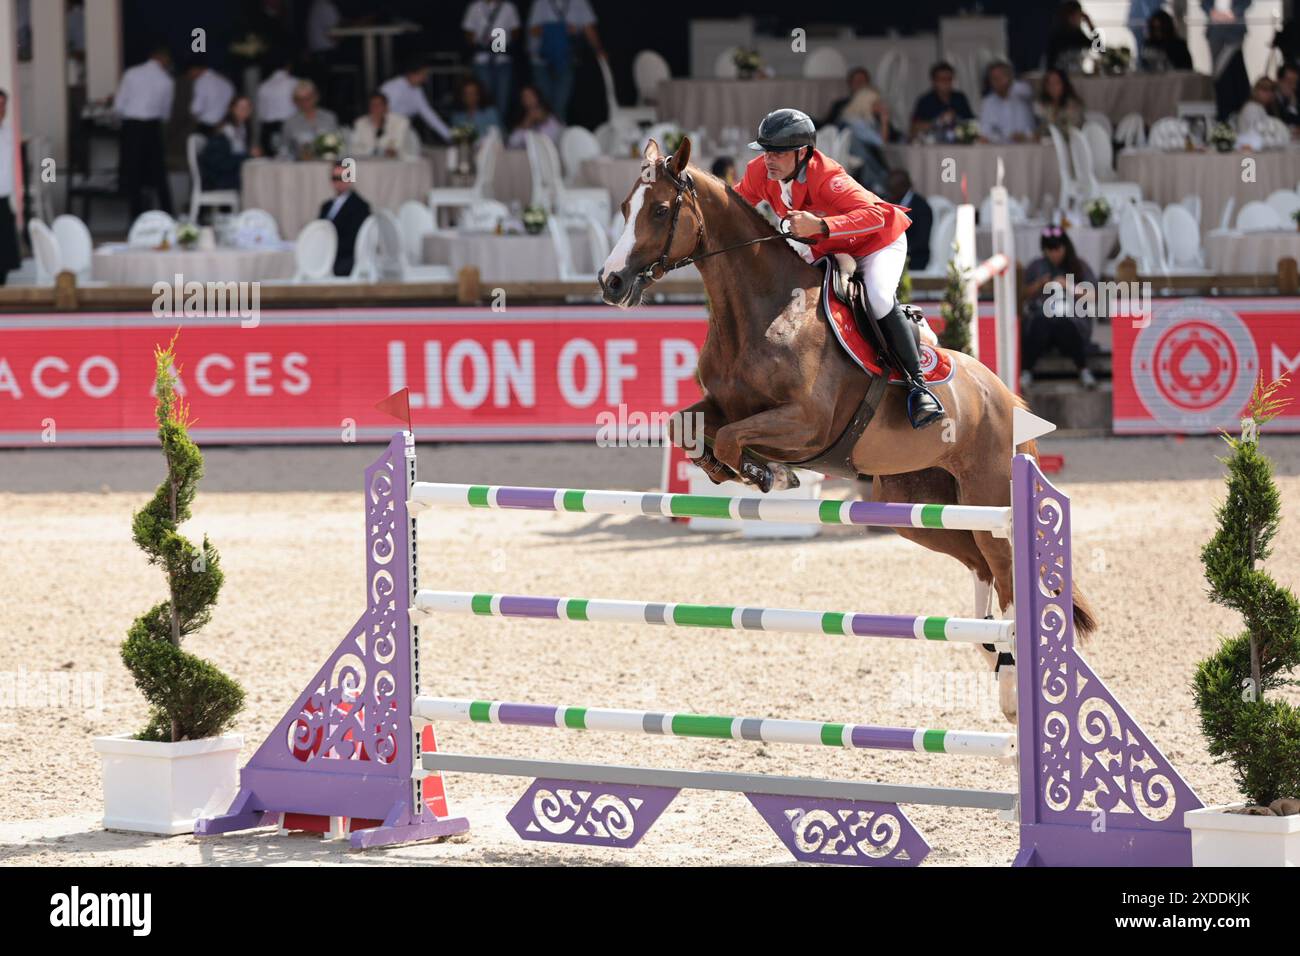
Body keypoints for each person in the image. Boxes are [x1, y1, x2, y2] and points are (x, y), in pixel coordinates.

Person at [733, 108, 943, 428]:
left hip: (877, 245)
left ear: (802, 153)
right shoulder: (759, 172)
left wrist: (821, 224)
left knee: (878, 297)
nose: (768, 160)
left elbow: (875, 216)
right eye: (766, 152)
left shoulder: (829, 178)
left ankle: (919, 388)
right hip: (829, 250)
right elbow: (733, 207)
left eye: (778, 153)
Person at [1020, 226, 1097, 390]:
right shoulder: (1036, 266)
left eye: (1058, 249)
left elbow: (1094, 296)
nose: (1054, 254)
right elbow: (1023, 294)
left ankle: (1083, 370)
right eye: (1050, 250)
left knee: (1064, 325)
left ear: (1065, 247)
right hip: (1043, 324)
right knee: (1041, 324)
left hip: (1071, 323)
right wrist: (1039, 284)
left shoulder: (1079, 266)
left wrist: (1069, 286)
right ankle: (1026, 372)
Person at [113, 44, 175, 218]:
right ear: (164, 60)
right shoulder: (167, 80)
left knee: (133, 174)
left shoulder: (132, 74)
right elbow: (166, 112)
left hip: (132, 127)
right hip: (153, 128)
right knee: (159, 174)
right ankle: (168, 214)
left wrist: (120, 123)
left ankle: (136, 217)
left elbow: (119, 106)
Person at [527, 0, 607, 123]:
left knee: (560, 103)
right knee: (544, 103)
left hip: (566, 60)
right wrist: (559, 30)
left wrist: (599, 50)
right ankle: (543, 137)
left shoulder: (579, 3)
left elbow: (589, 29)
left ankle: (557, 137)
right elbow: (532, 30)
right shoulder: (541, 3)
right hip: (541, 60)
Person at [463, 1, 521, 123]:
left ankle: (499, 128)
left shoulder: (508, 7)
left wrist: (504, 41)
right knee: (484, 97)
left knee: (503, 99)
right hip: (482, 58)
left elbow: (515, 30)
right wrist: (479, 41)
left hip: (502, 58)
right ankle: (485, 127)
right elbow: (468, 30)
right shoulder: (475, 7)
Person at [319, 160, 371, 276]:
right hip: (324, 257)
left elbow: (356, 240)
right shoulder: (326, 206)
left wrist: (329, 250)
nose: (339, 182)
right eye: (335, 178)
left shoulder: (360, 206)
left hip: (345, 261)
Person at [198, 96, 261, 191]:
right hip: (217, 179)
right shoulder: (224, 131)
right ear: (232, 109)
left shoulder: (243, 129)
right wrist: (248, 155)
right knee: (257, 181)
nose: (245, 111)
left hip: (230, 174)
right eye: (241, 108)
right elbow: (221, 163)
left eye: (248, 108)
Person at [1204, 0, 1253, 121]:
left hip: (1234, 32)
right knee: (1220, 75)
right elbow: (1204, 3)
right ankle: (1224, 115)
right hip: (1216, 32)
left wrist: (1234, 13)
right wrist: (1212, 12)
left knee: (1233, 71)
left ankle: (1232, 111)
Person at [380, 63, 452, 143]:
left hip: (402, 129)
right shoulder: (392, 87)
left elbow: (429, 116)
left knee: (414, 143)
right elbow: (380, 111)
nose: (426, 79)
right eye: (423, 75)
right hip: (385, 129)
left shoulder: (417, 91)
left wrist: (450, 136)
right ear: (412, 74)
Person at [909, 61, 974, 142]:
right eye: (942, 79)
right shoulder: (925, 101)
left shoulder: (960, 98)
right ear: (934, 81)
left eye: (949, 79)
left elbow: (972, 124)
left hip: (958, 145)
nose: (946, 82)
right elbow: (914, 128)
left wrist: (957, 120)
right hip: (934, 147)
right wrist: (938, 122)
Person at [883, 168, 932, 272]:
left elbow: (921, 241)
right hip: (897, 254)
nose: (888, 193)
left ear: (903, 187)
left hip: (915, 259)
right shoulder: (895, 203)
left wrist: (896, 248)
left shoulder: (921, 207)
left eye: (891, 189)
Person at [979, 61, 1037, 143]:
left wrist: (1024, 135)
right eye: (993, 78)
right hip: (999, 149)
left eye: (1000, 77)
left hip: (1025, 147)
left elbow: (1029, 90)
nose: (997, 82)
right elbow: (985, 132)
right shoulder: (988, 102)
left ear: (1009, 77)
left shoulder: (1022, 94)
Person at [280, 80, 339, 158]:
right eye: (300, 100)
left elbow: (337, 145)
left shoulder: (329, 118)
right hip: (300, 166)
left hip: (327, 164)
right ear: (295, 101)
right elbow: (284, 150)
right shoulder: (290, 122)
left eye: (308, 98)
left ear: (316, 97)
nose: (304, 103)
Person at [255, 55, 299, 156]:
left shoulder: (263, 85)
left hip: (267, 128)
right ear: (288, 66)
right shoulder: (294, 83)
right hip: (288, 125)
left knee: (270, 159)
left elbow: (260, 112)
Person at [350, 91, 415, 158]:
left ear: (386, 107)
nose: (376, 108)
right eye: (373, 105)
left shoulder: (401, 123)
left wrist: (391, 151)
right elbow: (353, 149)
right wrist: (375, 151)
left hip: (396, 164)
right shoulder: (360, 123)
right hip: (368, 164)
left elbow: (400, 146)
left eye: (379, 105)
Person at [0, 90, 19, 286]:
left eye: (3, 105)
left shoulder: (10, 132)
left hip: (3, 197)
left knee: (4, 253)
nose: (1, 110)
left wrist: (49, 178)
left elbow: (48, 161)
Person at [1046, 1, 1097, 72]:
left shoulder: (1078, 34)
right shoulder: (1058, 35)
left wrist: (1090, 25)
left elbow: (1099, 48)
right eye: (1078, 15)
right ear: (1070, 16)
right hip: (1060, 78)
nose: (1080, 20)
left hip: (1076, 76)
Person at [188, 58, 235, 133]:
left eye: (190, 72)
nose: (190, 75)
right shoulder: (226, 82)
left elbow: (196, 108)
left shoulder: (201, 82)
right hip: (223, 125)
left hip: (205, 126)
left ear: (195, 69)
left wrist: (192, 119)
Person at [1276, 62, 1300, 128]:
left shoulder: (1295, 99)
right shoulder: (1270, 100)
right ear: (1279, 80)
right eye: (1289, 81)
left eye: (1295, 82)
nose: (1292, 86)